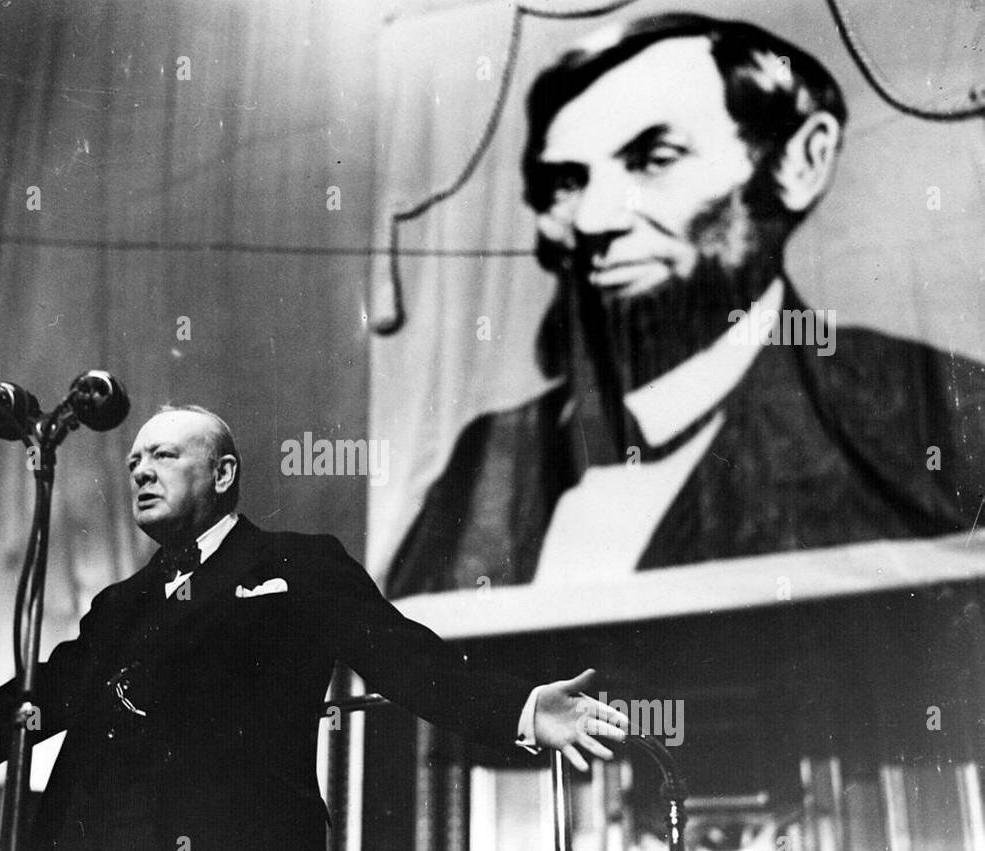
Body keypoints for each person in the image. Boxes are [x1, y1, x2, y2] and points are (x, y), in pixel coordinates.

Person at [0, 405, 627, 851]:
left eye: (164, 454)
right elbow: (19, 706)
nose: (139, 468)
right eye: (132, 458)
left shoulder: (298, 563)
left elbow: (405, 659)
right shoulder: (118, 606)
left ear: (225, 471)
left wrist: (520, 710)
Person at [387, 13, 985, 597]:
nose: (595, 220)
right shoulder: (485, 464)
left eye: (654, 159)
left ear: (801, 162)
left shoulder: (929, 418)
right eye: (565, 184)